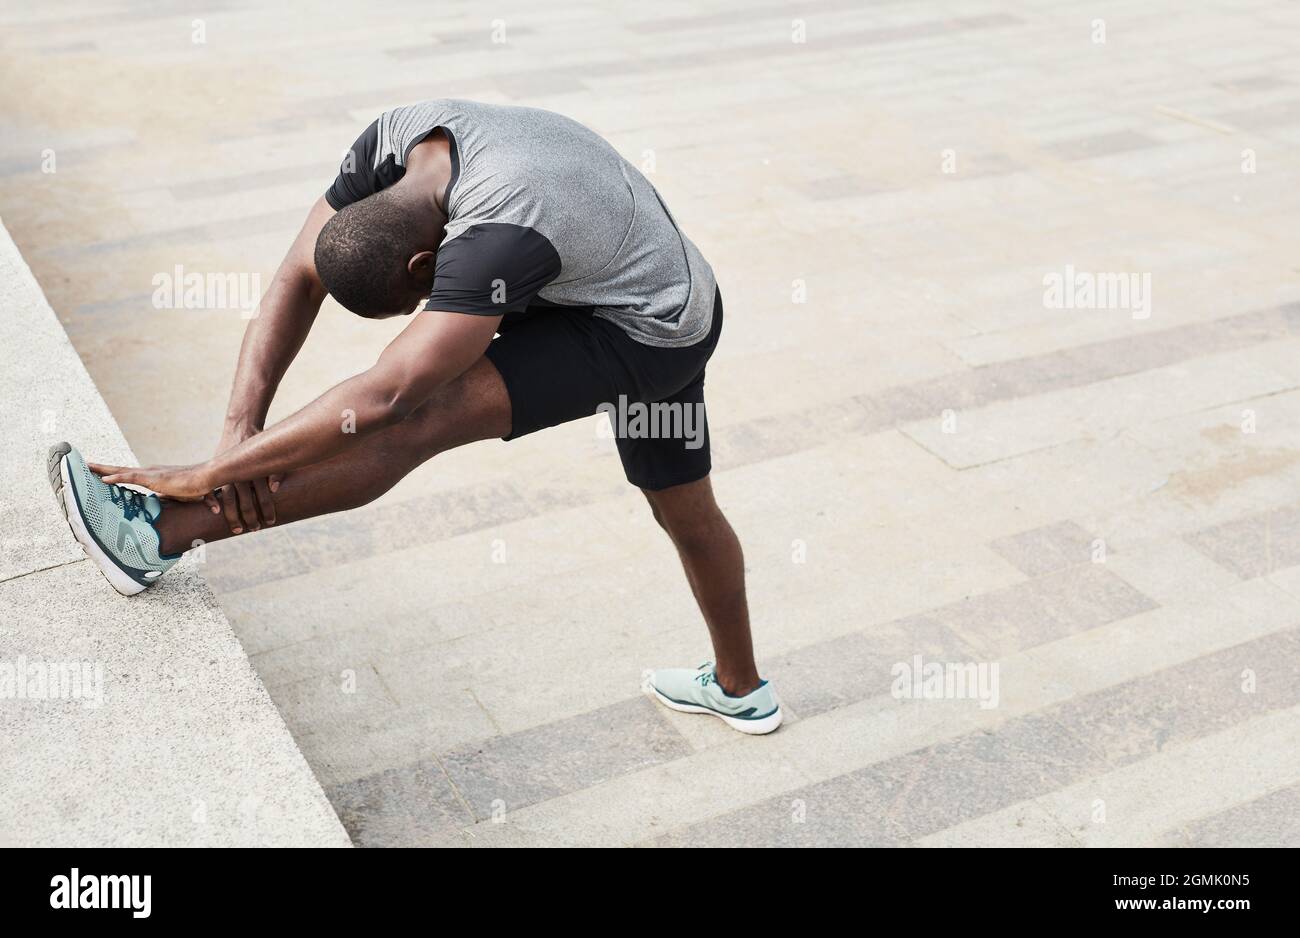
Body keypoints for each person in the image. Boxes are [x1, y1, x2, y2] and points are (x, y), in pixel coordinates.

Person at [48, 99, 781, 734]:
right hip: (642, 276)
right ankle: (743, 692)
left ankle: (152, 533)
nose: (419, 314)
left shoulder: (495, 240)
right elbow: (295, 276)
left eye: (412, 307)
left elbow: (388, 397)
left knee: (422, 415)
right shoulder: (393, 142)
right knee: (686, 513)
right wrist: (240, 433)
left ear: (424, 269)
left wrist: (211, 475)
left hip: (649, 329)